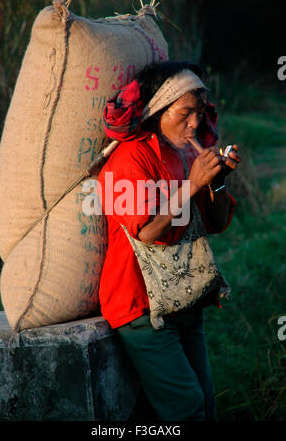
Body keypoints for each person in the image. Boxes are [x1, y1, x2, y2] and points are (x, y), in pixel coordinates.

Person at [97, 61, 241, 421]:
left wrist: (217, 180)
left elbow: (218, 223)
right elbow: (146, 231)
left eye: (199, 112)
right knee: (186, 406)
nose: (195, 123)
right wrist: (192, 184)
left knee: (205, 400)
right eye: (185, 112)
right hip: (142, 307)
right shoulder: (131, 157)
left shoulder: (188, 154)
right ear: (158, 109)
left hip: (186, 300)